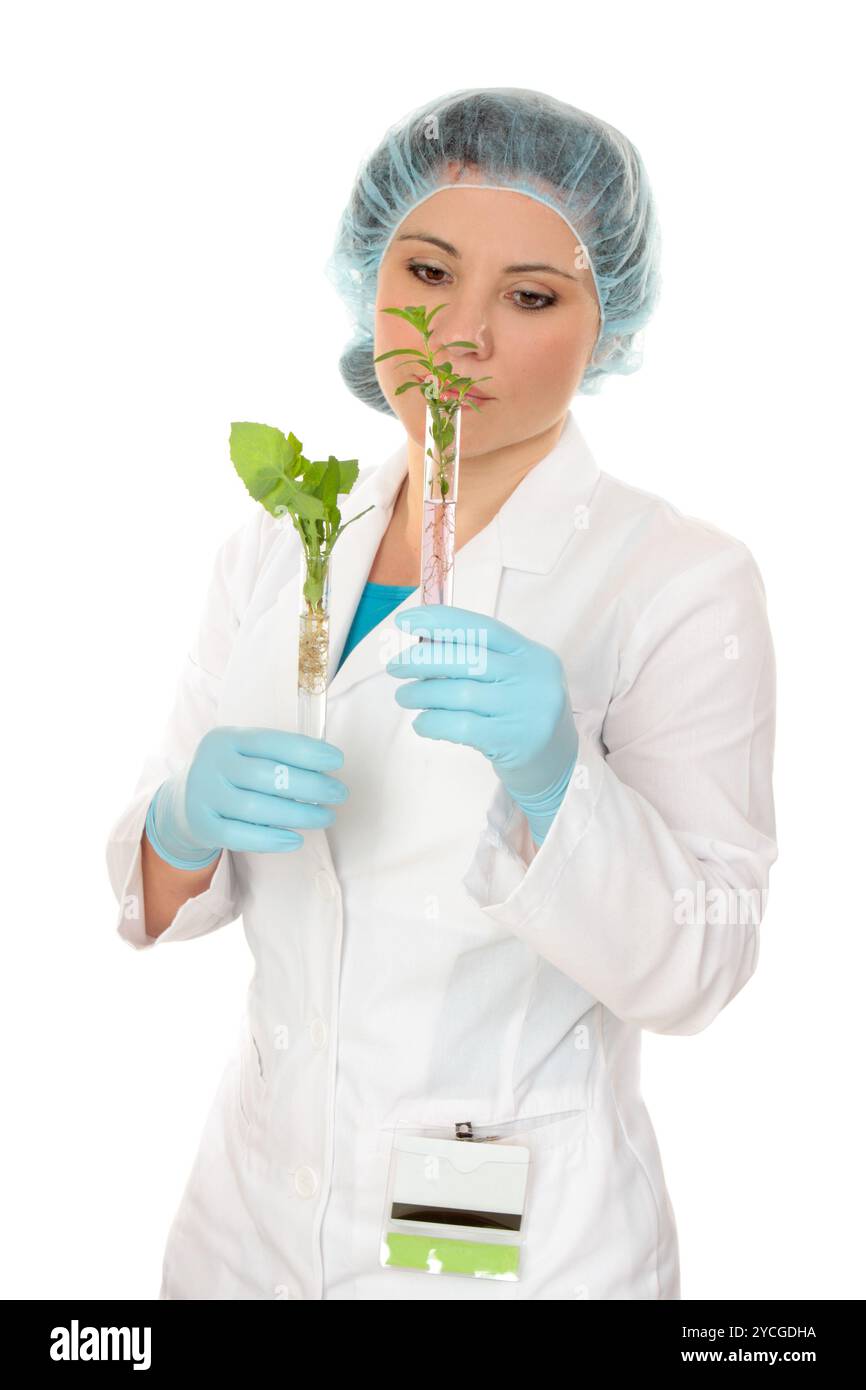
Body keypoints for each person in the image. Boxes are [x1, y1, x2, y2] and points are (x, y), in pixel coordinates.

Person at [106, 87, 778, 1300]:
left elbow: (704, 964)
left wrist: (557, 783)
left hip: (514, 1247)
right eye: (424, 269)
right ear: (370, 277)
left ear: (604, 322)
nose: (458, 333)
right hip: (245, 1230)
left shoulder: (675, 579)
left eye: (529, 295)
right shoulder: (277, 543)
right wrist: (176, 826)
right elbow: (153, 893)